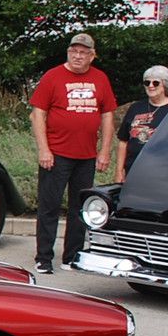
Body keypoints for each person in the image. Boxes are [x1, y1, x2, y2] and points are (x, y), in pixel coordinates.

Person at [30, 32, 117, 274]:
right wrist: (44, 149)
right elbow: (38, 114)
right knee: (49, 206)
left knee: (79, 208)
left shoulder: (100, 79)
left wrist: (104, 151)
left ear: (92, 55)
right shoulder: (53, 76)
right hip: (57, 154)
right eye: (73, 51)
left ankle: (72, 256)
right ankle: (44, 258)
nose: (78, 56)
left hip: (86, 155)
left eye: (83, 52)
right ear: (69, 53)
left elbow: (107, 115)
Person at [115, 65, 168, 184]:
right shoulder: (135, 108)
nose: (151, 86)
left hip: (164, 172)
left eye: (156, 83)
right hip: (133, 169)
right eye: (147, 82)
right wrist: (119, 170)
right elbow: (123, 141)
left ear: (165, 84)